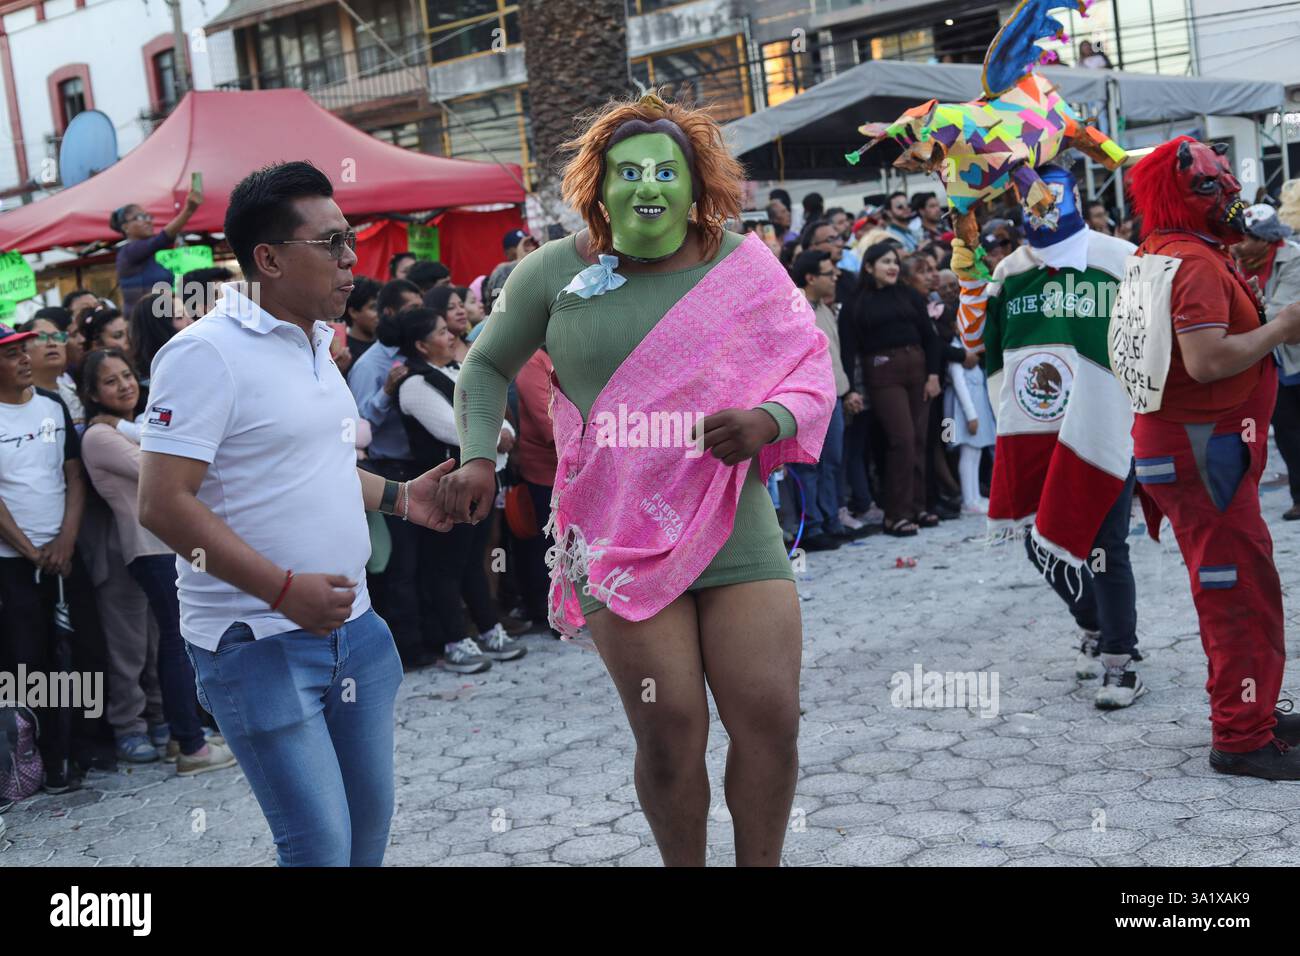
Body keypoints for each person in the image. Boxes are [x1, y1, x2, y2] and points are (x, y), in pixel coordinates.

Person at [441, 91, 836, 867]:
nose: (648, 186)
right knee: (670, 727)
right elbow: (484, 364)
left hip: (731, 517)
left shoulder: (745, 265)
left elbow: (808, 365)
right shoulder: (550, 272)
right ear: (598, 185)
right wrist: (479, 455)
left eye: (666, 170)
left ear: (697, 186)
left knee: (770, 715)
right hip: (611, 530)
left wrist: (770, 421)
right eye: (628, 172)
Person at [137, 161, 457, 865]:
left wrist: (404, 499)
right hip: (259, 642)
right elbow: (160, 502)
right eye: (333, 243)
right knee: (319, 849)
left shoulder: (315, 340)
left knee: (364, 842)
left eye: (351, 240)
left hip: (357, 634)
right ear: (269, 258)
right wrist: (282, 590)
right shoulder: (203, 355)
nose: (351, 260)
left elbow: (316, 470)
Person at [1121, 138, 1300, 776]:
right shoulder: (1190, 261)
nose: (1230, 192)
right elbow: (1206, 360)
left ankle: (1253, 707)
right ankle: (1242, 735)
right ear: (1186, 197)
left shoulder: (1168, 251)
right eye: (1214, 184)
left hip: (1195, 447)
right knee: (1237, 591)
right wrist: (1282, 326)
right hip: (1202, 449)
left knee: (1243, 584)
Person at [954, 161, 1142, 708]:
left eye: (1050, 203)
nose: (1042, 215)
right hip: (1034, 429)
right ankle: (1094, 623)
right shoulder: (1010, 270)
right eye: (1031, 207)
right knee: (1039, 542)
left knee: (1106, 543)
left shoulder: (1121, 258)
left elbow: (1152, 342)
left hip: (1108, 424)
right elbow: (974, 343)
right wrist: (966, 268)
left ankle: (1120, 661)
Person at [78, 348, 237, 775]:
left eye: (127, 375)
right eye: (110, 381)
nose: (125, 385)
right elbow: (158, 464)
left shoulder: (127, 426)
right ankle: (190, 746)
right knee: (174, 642)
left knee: (172, 641)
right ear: (92, 393)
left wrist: (128, 424)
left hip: (168, 546)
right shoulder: (97, 436)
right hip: (148, 549)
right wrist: (128, 427)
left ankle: (182, 735)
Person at [0, 325, 108, 792]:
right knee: (28, 661)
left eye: (24, 350)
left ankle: (81, 748)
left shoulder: (53, 406)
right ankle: (38, 756)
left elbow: (74, 476)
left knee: (81, 650)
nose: (25, 358)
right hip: (12, 562)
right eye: (11, 354)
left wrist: (65, 541)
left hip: (63, 554)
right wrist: (30, 551)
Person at [388, 307, 524, 671]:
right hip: (443, 484)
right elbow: (452, 428)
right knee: (445, 566)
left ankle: (487, 626)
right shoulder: (414, 384)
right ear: (420, 344)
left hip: (475, 478)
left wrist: (504, 433)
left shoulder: (449, 371)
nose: (451, 336)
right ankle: (453, 638)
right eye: (440, 332)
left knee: (470, 562)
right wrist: (499, 437)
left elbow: (491, 408)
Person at [839, 242, 941, 536]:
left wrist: (933, 374)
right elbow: (848, 351)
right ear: (869, 267)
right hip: (883, 373)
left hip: (918, 370)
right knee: (902, 439)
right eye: (885, 261)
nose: (893, 266)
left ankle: (919, 507)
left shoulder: (909, 294)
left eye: (895, 261)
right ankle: (894, 514)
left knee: (920, 439)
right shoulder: (855, 304)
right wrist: (848, 390)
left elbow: (930, 338)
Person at [788, 250, 868, 550]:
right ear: (810, 278)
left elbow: (834, 357)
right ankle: (812, 526)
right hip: (807, 399)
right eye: (828, 273)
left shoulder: (824, 307)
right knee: (809, 465)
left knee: (832, 462)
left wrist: (847, 391)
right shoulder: (792, 307)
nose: (836, 277)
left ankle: (831, 520)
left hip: (832, 397)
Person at [1232, 204, 1300, 519]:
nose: (1239, 243)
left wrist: (1239, 319)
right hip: (1271, 361)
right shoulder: (1235, 262)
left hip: (1294, 352)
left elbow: (1282, 313)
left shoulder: (1294, 258)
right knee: (1286, 432)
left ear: (1266, 239)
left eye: (1247, 237)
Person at [110, 181, 203, 311]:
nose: (148, 220)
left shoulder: (148, 256)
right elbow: (162, 239)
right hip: (146, 324)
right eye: (140, 217)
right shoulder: (128, 252)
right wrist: (188, 210)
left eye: (148, 216)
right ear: (125, 227)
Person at [18, 309, 83, 427]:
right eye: (41, 337)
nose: (52, 343)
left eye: (57, 337)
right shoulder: (18, 401)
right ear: (22, 350)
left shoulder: (75, 393)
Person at [485, 229, 539, 310]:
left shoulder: (539, 267)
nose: (530, 248)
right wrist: (521, 262)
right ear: (507, 253)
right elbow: (500, 308)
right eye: (523, 246)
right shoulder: (502, 271)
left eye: (530, 244)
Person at [343, 276, 382, 364]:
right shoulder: (342, 353)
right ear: (353, 312)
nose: (381, 314)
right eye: (374, 307)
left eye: (382, 307)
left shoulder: (386, 347)